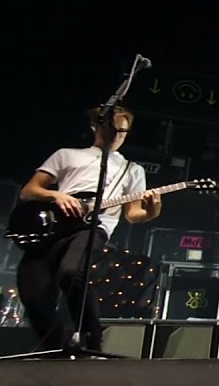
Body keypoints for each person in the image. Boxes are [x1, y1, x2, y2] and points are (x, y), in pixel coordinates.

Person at [15, 105, 162, 351]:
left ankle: (92, 338)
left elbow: (134, 214)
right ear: (96, 126)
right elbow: (29, 192)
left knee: (71, 272)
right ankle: (55, 347)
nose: (117, 136)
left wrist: (153, 210)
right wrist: (56, 196)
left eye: (123, 132)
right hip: (53, 227)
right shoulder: (67, 155)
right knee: (32, 290)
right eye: (112, 129)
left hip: (94, 227)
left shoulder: (132, 170)